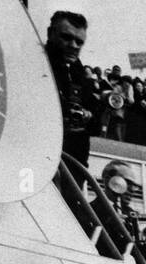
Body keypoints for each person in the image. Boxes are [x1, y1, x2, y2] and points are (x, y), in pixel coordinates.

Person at [44, 11, 100, 167]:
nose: (74, 46)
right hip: (41, 157)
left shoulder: (79, 72)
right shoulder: (34, 64)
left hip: (75, 160)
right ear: (50, 33)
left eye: (79, 42)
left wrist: (88, 117)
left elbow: (96, 124)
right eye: (66, 38)